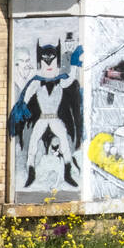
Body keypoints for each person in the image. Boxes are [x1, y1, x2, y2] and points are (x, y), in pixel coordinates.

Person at [9, 39, 83, 191]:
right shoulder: (37, 81)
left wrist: (75, 63)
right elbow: (25, 95)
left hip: (55, 119)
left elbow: (70, 79)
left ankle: (68, 173)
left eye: (51, 61)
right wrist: (21, 105)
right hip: (42, 119)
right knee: (33, 143)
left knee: (64, 142)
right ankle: (31, 172)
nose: (48, 65)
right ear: (40, 63)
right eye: (45, 61)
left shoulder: (60, 80)